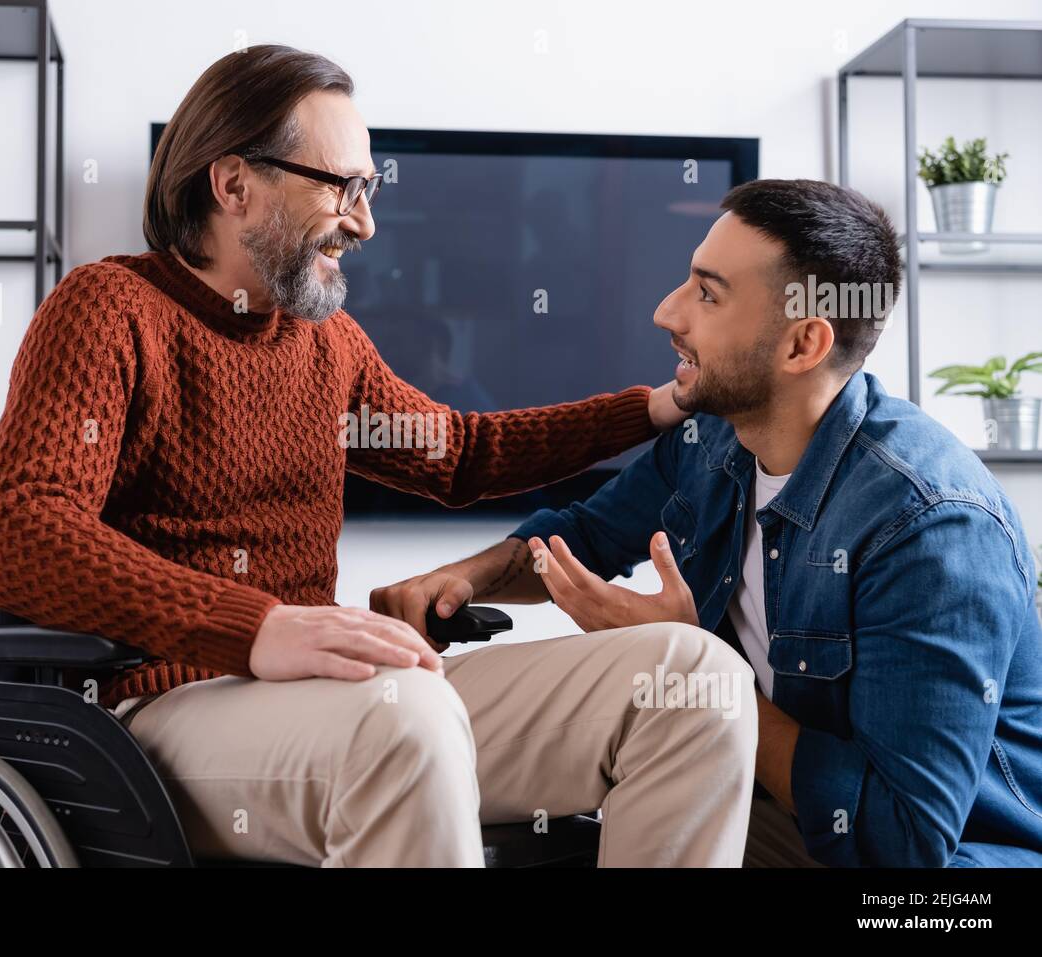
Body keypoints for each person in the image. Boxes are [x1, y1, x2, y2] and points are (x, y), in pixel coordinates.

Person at [0, 44, 757, 867]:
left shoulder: (326, 343)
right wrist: (257, 626)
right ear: (233, 184)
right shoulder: (107, 309)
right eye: (340, 186)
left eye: (366, 189)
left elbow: (461, 454)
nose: (365, 221)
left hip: (339, 704)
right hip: (157, 712)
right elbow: (14, 531)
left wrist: (657, 406)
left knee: (694, 682)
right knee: (402, 715)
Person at [376, 178, 1042, 867]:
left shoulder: (931, 529)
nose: (668, 312)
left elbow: (898, 842)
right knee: (524, 842)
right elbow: (586, 534)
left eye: (708, 293)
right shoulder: (713, 440)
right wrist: (461, 578)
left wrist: (697, 672)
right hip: (765, 810)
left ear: (801, 345)